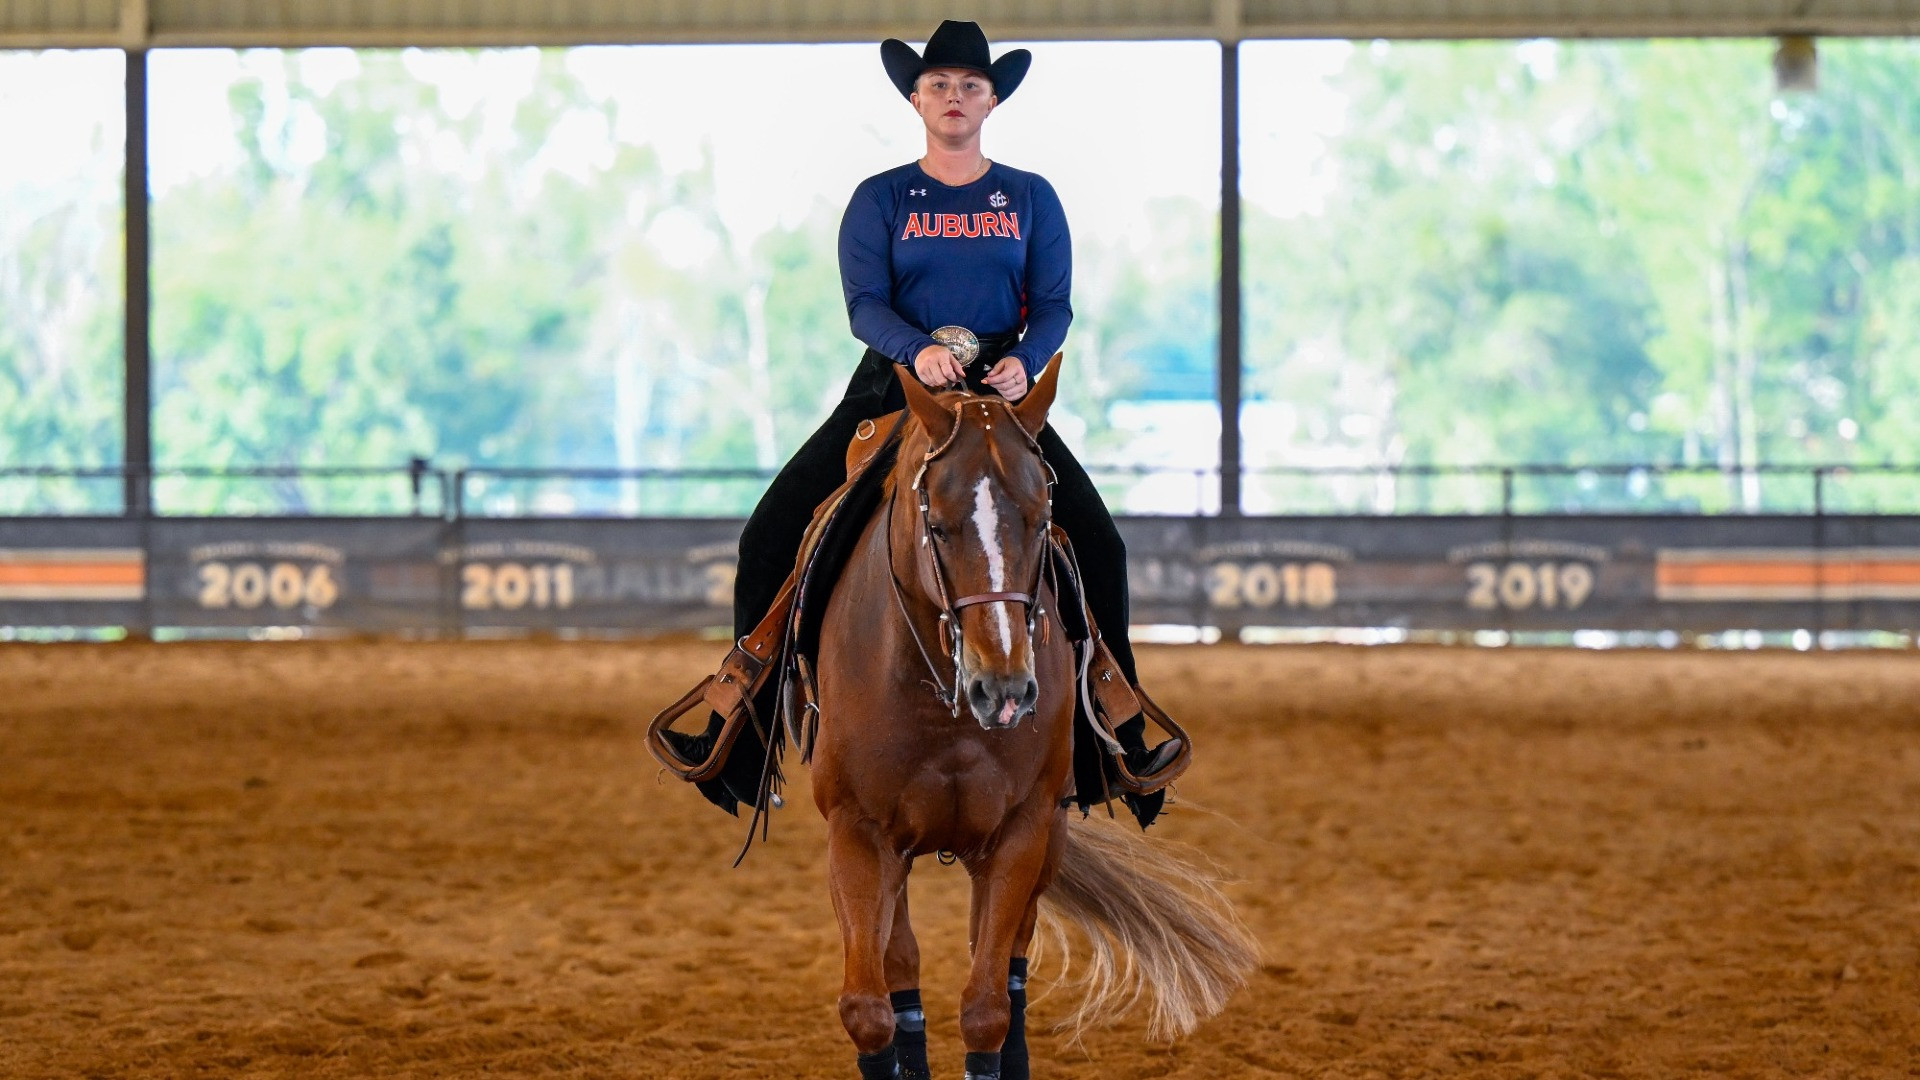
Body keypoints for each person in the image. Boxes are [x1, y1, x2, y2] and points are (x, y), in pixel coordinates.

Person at [687, 19, 1177, 822]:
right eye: (940, 85)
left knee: (1100, 544)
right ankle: (743, 724)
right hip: (894, 389)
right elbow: (863, 305)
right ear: (915, 98)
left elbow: (1053, 304)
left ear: (992, 101)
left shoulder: (1029, 196)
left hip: (998, 396)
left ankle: (1114, 726)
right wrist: (915, 352)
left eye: (970, 87)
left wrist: (1030, 357)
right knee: (770, 532)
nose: (955, 97)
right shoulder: (881, 197)